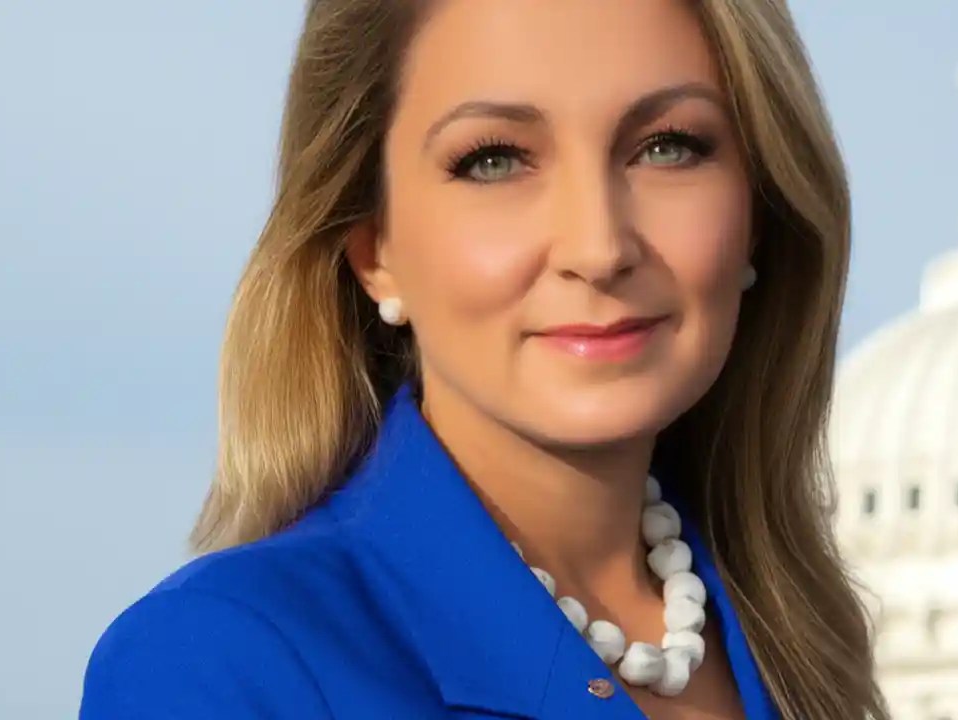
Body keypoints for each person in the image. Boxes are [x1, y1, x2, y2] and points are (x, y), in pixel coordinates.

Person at [80, 0, 888, 717]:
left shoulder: (802, 647)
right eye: (494, 159)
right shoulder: (224, 665)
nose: (599, 247)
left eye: (668, 147)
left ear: (757, 213)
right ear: (373, 247)